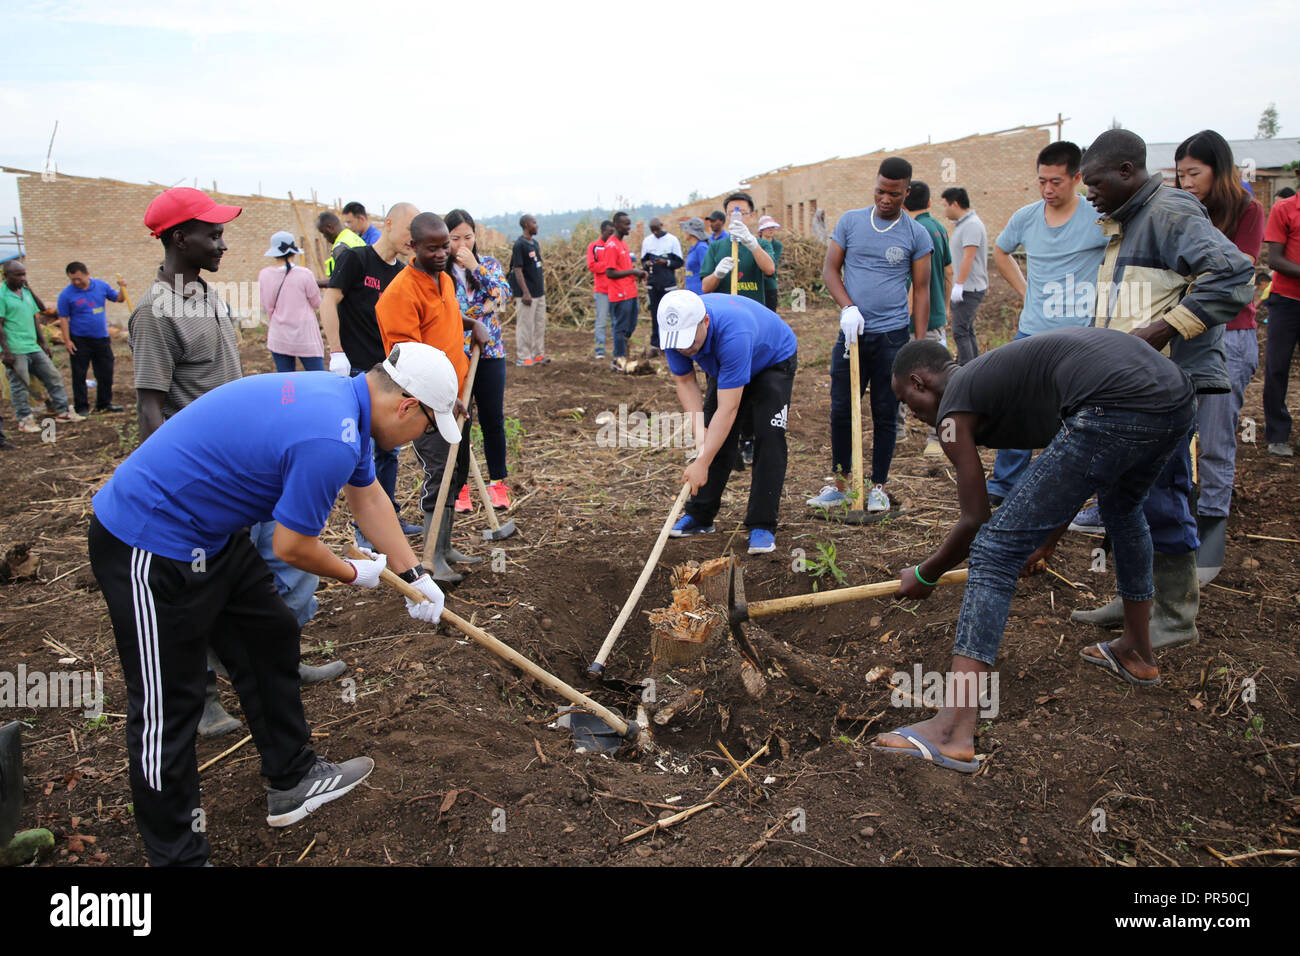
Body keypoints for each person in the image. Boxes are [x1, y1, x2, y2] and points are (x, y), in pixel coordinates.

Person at [88, 339, 455, 865]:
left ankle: (292, 778)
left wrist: (413, 573)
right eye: (427, 427)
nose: (421, 437)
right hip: (149, 540)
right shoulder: (330, 435)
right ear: (407, 406)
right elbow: (292, 547)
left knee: (269, 633)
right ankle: (176, 857)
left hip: (212, 534)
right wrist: (354, 573)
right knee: (167, 705)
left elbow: (368, 495)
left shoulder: (347, 404)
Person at [876, 331, 1196, 773]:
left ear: (919, 382)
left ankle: (951, 732)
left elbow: (976, 519)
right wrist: (1046, 543)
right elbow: (1071, 469)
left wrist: (927, 573)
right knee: (1123, 508)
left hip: (1115, 403)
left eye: (908, 403)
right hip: (1175, 398)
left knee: (993, 551)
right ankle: (1137, 653)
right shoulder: (1006, 385)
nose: (915, 415)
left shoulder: (954, 406)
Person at [132, 187, 345, 739]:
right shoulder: (155, 312)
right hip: (201, 479)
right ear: (180, 237)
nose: (223, 244)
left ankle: (281, 660)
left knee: (278, 565)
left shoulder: (207, 295)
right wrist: (171, 491)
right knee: (198, 588)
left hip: (246, 464)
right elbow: (151, 406)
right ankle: (202, 697)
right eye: (213, 234)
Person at [1068, 129, 1254, 650]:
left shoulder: (1170, 212)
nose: (1089, 193)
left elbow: (1235, 277)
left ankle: (1173, 615)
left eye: (1095, 182)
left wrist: (1161, 330)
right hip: (1131, 387)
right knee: (1124, 499)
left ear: (1127, 171)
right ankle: (1135, 599)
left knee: (1162, 495)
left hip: (1163, 388)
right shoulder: (1127, 220)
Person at [807, 157, 932, 513]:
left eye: (894, 194)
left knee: (885, 411)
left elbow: (922, 290)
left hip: (892, 338)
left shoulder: (916, 234)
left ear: (906, 192)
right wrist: (848, 307)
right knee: (841, 410)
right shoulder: (850, 222)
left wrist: (919, 345)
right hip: (852, 335)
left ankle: (878, 487)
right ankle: (841, 486)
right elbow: (830, 270)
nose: (885, 199)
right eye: (880, 191)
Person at [988, 141, 1109, 503]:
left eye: (1056, 181)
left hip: (1080, 335)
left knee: (1079, 415)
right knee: (1017, 407)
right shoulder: (1026, 217)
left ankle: (1071, 489)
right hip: (1032, 331)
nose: (1047, 189)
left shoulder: (1098, 217)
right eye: (1042, 181)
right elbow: (1001, 250)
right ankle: (1005, 485)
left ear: (1077, 178)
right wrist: (1025, 290)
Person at [375, 212, 491, 582]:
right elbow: (408, 361)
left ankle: (445, 547)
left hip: (457, 394)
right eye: (433, 248)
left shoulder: (443, 280)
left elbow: (445, 320)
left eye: (446, 246)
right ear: (412, 246)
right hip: (426, 404)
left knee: (456, 470)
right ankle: (431, 556)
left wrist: (472, 324)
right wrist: (441, 399)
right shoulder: (400, 294)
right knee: (439, 473)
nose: (442, 254)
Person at [1171, 131, 1266, 585]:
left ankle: (1212, 523)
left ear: (1218, 170)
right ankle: (1177, 519)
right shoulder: (1179, 208)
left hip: (1230, 335)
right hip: (1185, 332)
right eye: (1180, 174)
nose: (1186, 182)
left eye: (1195, 173)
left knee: (1214, 438)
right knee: (1173, 433)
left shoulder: (1247, 209)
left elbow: (1236, 270)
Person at [661, 290, 798, 555]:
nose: (685, 349)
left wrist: (702, 462)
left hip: (772, 359)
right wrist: (699, 429)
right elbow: (685, 381)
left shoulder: (734, 333)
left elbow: (729, 408)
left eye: (689, 340)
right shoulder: (674, 332)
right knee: (713, 435)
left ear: (705, 322)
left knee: (769, 437)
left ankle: (762, 524)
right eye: (678, 343)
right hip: (726, 365)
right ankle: (700, 516)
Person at [321, 202, 421, 535]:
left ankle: (388, 519)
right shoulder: (357, 259)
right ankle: (363, 529)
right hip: (356, 373)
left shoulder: (401, 274)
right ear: (389, 223)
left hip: (388, 375)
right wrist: (336, 351)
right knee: (359, 451)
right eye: (409, 230)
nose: (412, 239)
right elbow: (329, 301)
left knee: (389, 450)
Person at [445, 209, 514, 514]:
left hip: (490, 352)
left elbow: (502, 296)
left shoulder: (488, 265)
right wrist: (482, 308)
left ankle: (497, 483)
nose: (462, 244)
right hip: (456, 353)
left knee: (492, 419)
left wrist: (476, 269)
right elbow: (450, 310)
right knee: (461, 420)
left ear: (475, 236)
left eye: (468, 237)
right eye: (455, 238)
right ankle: (460, 486)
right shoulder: (442, 272)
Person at [1, 260, 82, 432]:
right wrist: (5, 351)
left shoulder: (25, 291)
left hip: (32, 346)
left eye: (24, 274)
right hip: (15, 348)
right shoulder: (1, 295)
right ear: (6, 276)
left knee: (53, 377)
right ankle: (25, 420)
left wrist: (43, 342)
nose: (22, 278)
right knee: (20, 385)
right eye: (18, 275)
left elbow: (37, 313)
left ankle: (63, 412)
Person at [902, 182, 952, 457]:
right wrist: (945, 308)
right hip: (935, 317)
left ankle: (903, 432)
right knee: (937, 378)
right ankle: (936, 437)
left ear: (903, 203)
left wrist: (908, 315)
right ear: (930, 202)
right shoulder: (939, 228)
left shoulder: (910, 230)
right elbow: (949, 271)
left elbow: (912, 281)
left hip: (912, 319)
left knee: (902, 374)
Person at [56, 262, 127, 415]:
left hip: (101, 338)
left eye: (79, 278)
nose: (76, 282)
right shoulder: (66, 295)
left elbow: (119, 299)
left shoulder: (101, 286)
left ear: (87, 274)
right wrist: (67, 340)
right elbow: (63, 318)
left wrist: (122, 287)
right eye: (72, 279)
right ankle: (81, 407)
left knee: (105, 373)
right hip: (79, 340)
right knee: (79, 375)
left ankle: (104, 404)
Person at [1263, 184, 1300, 456]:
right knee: (1277, 367)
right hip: (1286, 301)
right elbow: (1275, 260)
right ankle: (1277, 434)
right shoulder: (1284, 208)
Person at [258, 231, 324, 372]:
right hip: (305, 335)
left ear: (274, 254)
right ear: (294, 253)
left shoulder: (264, 275)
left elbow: (267, 306)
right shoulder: (305, 274)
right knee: (317, 377)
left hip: (279, 336)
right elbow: (317, 303)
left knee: (286, 381)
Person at [700, 192, 776, 302]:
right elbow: (705, 288)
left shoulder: (762, 244)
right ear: (726, 217)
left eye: (742, 213)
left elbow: (770, 270)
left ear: (751, 215)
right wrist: (717, 274)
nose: (736, 218)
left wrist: (753, 246)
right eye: (731, 213)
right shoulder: (715, 246)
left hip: (751, 308)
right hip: (725, 308)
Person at [942, 187, 989, 365]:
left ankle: (966, 367)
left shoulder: (971, 225)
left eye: (945, 205)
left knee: (960, 330)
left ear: (955, 204)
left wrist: (959, 284)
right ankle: (975, 365)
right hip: (966, 286)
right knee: (966, 329)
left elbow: (969, 256)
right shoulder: (964, 224)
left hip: (969, 288)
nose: (945, 210)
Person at [601, 211, 645, 371]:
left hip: (630, 292)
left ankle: (623, 356)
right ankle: (618, 360)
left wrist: (636, 273)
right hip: (619, 294)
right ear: (616, 225)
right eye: (626, 224)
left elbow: (623, 269)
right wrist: (633, 271)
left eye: (629, 223)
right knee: (620, 327)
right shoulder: (611, 246)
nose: (629, 227)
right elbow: (610, 273)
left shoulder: (622, 244)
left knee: (630, 326)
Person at [641, 217, 684, 352]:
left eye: (657, 229)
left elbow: (679, 262)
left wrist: (666, 262)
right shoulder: (647, 241)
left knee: (670, 313)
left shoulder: (672, 240)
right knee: (655, 314)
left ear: (662, 225)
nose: (655, 232)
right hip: (653, 284)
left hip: (668, 284)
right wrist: (647, 264)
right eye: (652, 230)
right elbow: (643, 262)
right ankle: (656, 343)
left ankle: (670, 343)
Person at [510, 214, 547, 367]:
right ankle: (523, 356)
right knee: (525, 326)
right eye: (534, 222)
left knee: (539, 325)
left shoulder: (534, 244)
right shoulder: (520, 245)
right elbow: (517, 270)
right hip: (527, 294)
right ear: (526, 225)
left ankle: (538, 354)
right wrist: (525, 292)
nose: (537, 225)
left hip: (539, 293)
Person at [586, 220, 615, 359]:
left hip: (615, 289)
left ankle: (617, 349)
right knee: (601, 321)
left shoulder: (614, 246)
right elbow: (592, 266)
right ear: (603, 231)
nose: (611, 235)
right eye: (609, 232)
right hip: (601, 290)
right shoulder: (594, 246)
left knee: (616, 321)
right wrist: (609, 265)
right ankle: (600, 349)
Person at [316, 211, 367, 282]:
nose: (324, 237)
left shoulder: (340, 247)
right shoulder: (353, 237)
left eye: (323, 232)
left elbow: (341, 281)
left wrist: (315, 283)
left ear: (330, 228)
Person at [757, 216, 784, 312]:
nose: (771, 229)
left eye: (772, 227)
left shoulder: (777, 245)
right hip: (756, 283)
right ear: (761, 230)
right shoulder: (755, 243)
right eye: (767, 227)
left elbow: (773, 264)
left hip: (769, 283)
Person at [682, 217, 710, 295]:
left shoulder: (701, 248)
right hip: (691, 292)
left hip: (699, 292)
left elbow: (706, 272)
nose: (684, 232)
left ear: (691, 232)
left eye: (686, 230)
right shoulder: (693, 248)